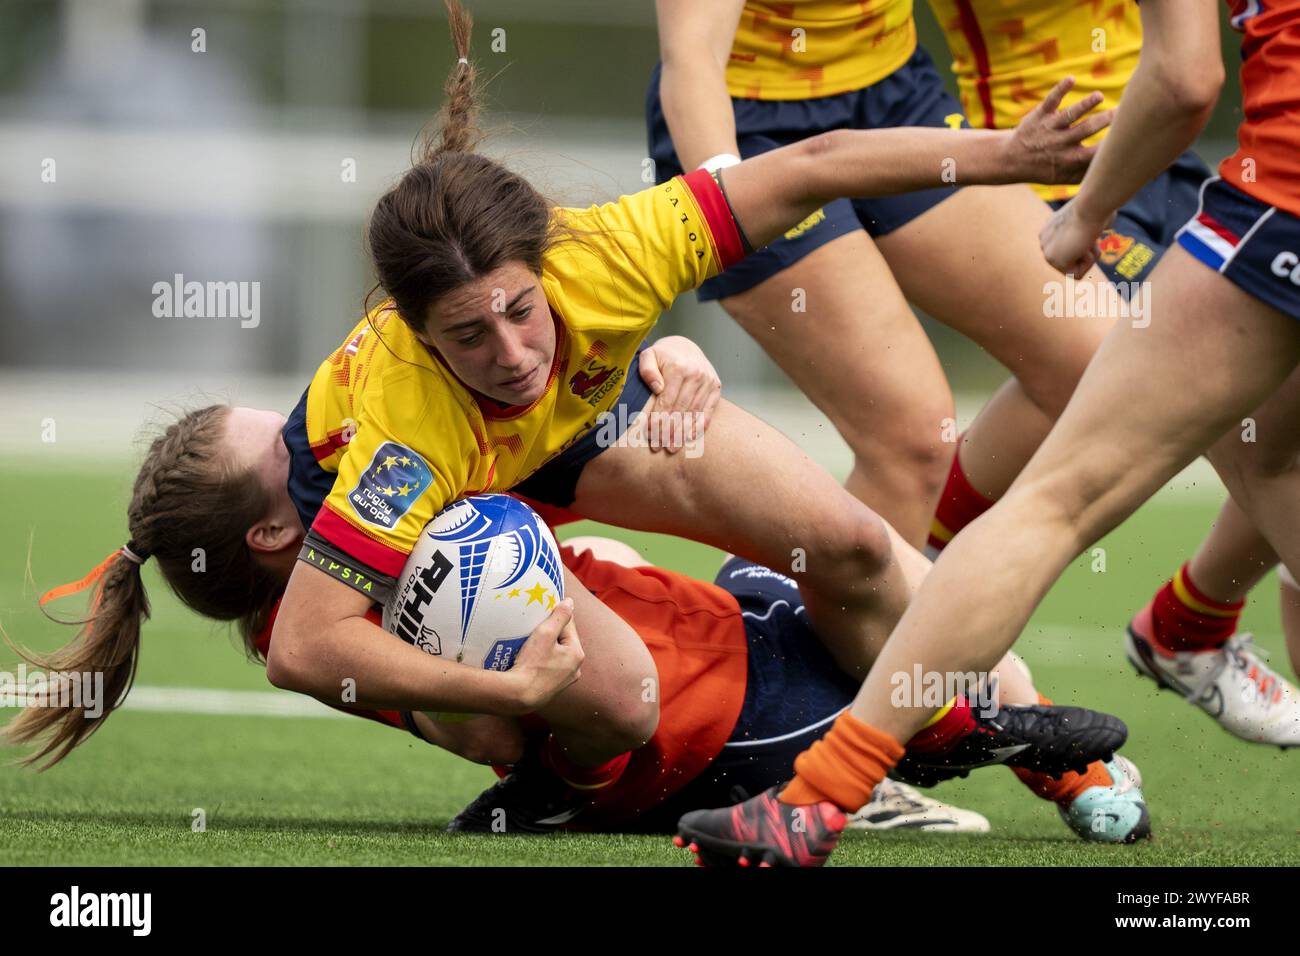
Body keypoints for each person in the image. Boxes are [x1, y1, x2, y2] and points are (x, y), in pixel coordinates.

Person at [265, 0, 1115, 806]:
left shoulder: (610, 253)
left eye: (522, 312)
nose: (514, 355)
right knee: (616, 702)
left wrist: (1012, 155)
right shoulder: (404, 439)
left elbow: (813, 165)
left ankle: (930, 735)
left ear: (547, 265)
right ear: (415, 332)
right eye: (467, 337)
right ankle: (555, 789)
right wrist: (502, 687)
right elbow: (306, 648)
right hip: (453, 488)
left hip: (563, 434)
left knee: (850, 543)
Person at [675, 0, 1300, 867]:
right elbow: (691, 56)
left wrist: (1078, 200)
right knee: (917, 435)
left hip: (929, 108)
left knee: (1076, 450)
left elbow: (1186, 75)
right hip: (777, 137)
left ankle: (841, 757)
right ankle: (832, 727)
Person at [917, 0, 1300, 746]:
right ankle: (914, 601)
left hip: (1161, 149)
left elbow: (1187, 69)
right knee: (1094, 378)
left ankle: (1190, 624)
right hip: (1044, 162)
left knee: (1273, 426)